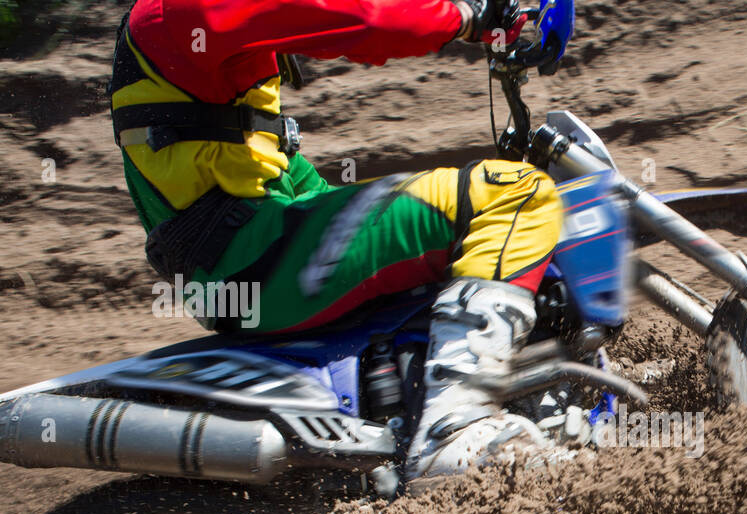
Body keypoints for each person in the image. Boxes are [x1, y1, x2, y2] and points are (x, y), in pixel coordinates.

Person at [108, 0, 563, 478]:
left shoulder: (178, 43)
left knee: (439, 217)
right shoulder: (176, 10)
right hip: (253, 259)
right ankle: (453, 429)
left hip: (251, 255)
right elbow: (362, 16)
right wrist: (465, 16)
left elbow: (274, 177)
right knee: (512, 192)